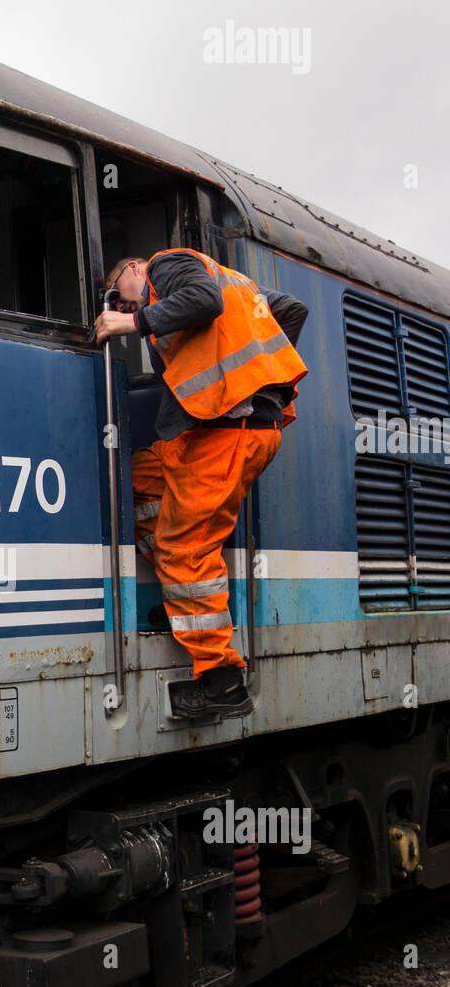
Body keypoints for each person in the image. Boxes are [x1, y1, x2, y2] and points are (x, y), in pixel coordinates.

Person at [95, 248, 309, 720]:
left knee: (184, 548)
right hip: (208, 434)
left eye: (119, 295)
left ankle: (222, 680)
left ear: (133, 269)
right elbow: (292, 309)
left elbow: (203, 300)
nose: (124, 307)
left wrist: (133, 324)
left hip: (229, 436)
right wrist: (258, 377)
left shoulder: (168, 265)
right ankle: (180, 585)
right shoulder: (241, 287)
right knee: (131, 480)